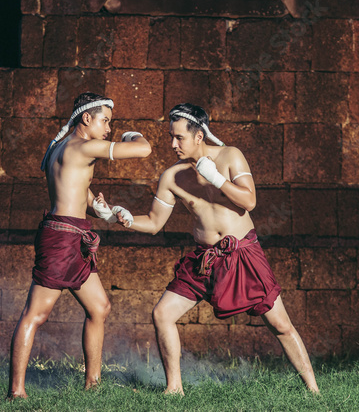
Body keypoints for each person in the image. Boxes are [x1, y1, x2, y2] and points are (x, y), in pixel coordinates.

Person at [111, 102, 318, 395]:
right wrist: (127, 219)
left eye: (179, 137)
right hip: (204, 259)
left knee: (281, 325)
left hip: (243, 254)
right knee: (162, 314)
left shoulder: (231, 155)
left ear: (198, 136)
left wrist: (217, 178)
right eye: (171, 136)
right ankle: (174, 389)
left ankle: (313, 391)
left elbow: (249, 202)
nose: (172, 144)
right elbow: (155, 222)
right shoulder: (172, 176)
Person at [7, 92, 151, 398]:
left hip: (70, 232)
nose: (109, 128)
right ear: (86, 119)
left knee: (99, 307)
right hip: (62, 236)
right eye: (106, 121)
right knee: (35, 314)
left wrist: (95, 207)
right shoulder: (85, 145)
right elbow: (144, 149)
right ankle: (16, 392)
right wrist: (131, 134)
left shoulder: (60, 146)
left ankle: (93, 385)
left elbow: (73, 189)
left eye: (111, 124)